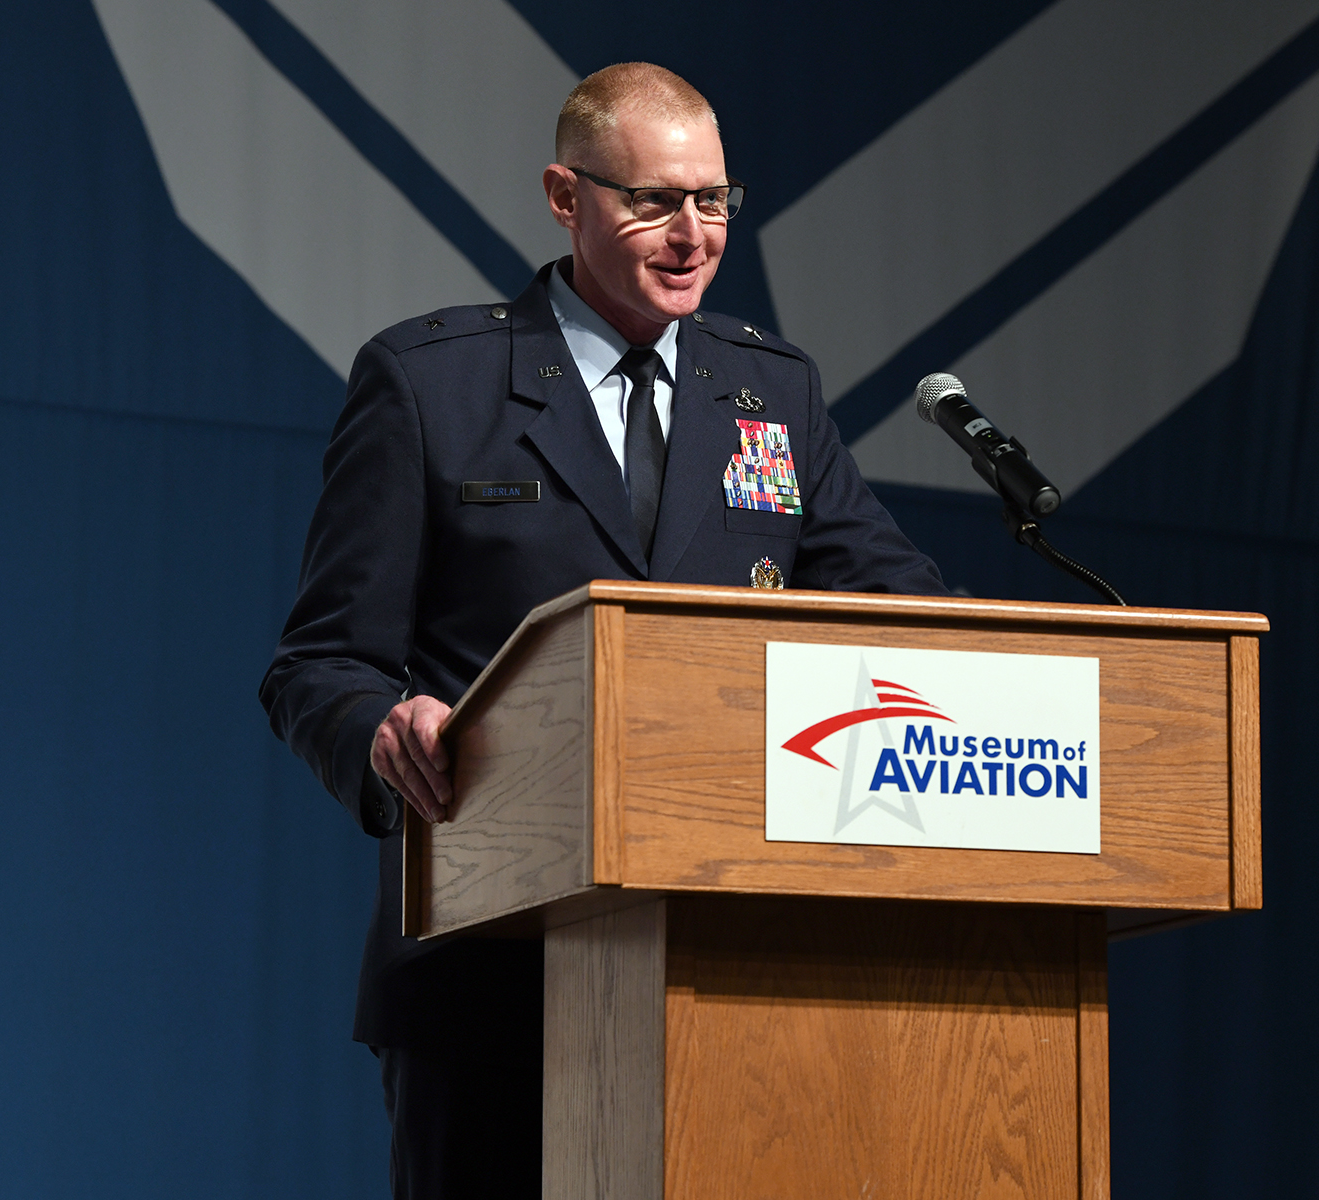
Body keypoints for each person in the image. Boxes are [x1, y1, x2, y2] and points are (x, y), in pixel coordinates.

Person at [260, 62, 948, 1198]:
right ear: (563, 197)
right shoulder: (433, 382)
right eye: (654, 201)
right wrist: (385, 728)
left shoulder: (769, 392)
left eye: (714, 200)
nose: (693, 235)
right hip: (488, 963)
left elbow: (899, 603)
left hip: (733, 965)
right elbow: (318, 664)